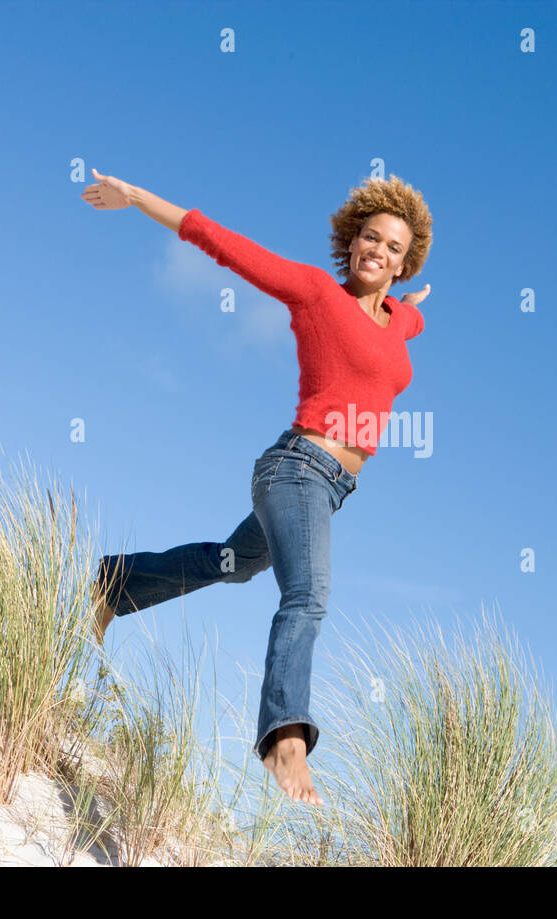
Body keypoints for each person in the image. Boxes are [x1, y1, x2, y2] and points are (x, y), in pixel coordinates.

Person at [80, 169, 432, 805]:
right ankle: (284, 737)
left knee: (232, 562)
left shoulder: (398, 321)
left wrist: (412, 308)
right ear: (352, 240)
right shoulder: (315, 292)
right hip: (296, 468)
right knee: (308, 594)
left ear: (406, 264)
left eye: (395, 248)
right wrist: (135, 199)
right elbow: (222, 242)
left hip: (329, 492)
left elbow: (406, 325)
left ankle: (117, 581)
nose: (379, 252)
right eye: (371, 238)